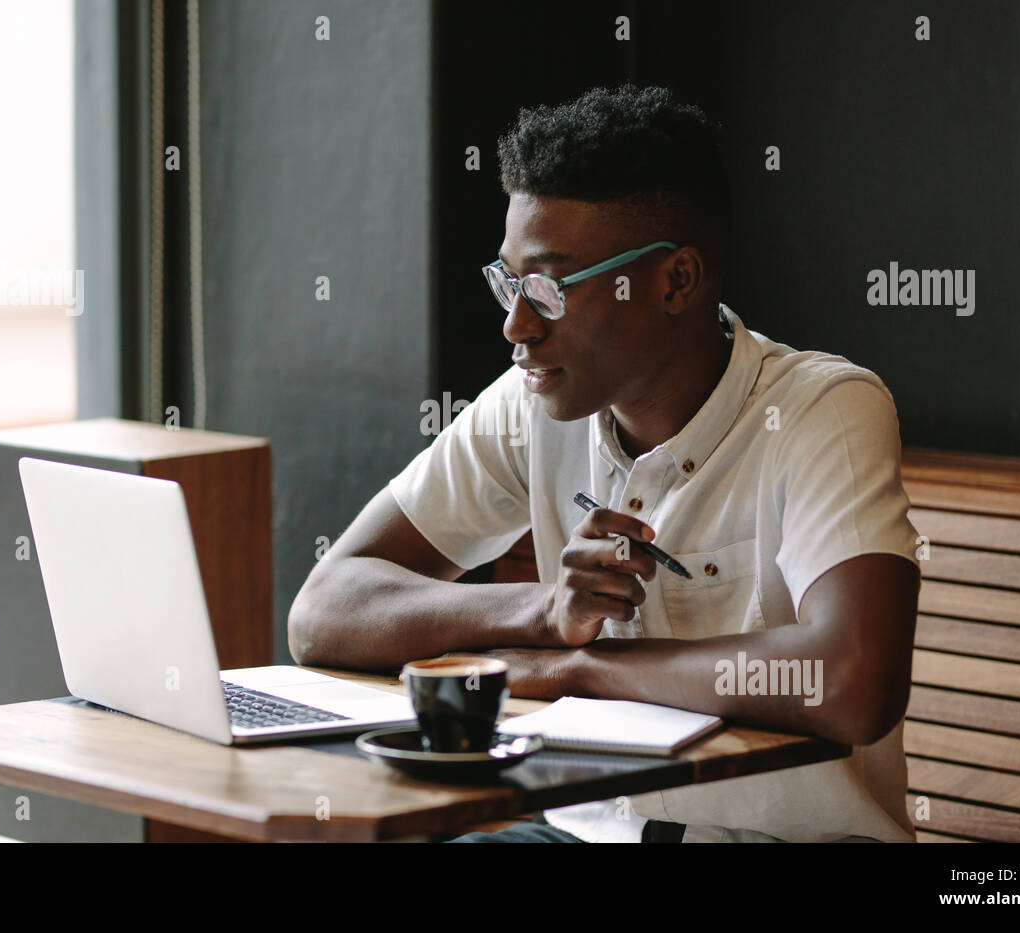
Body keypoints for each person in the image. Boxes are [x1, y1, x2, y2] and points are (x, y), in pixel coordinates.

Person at [288, 84, 921, 843]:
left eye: (551, 287)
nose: (517, 324)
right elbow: (324, 610)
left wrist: (581, 669)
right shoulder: (531, 404)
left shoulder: (823, 410)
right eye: (510, 282)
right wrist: (542, 611)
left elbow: (851, 679)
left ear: (675, 280)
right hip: (584, 832)